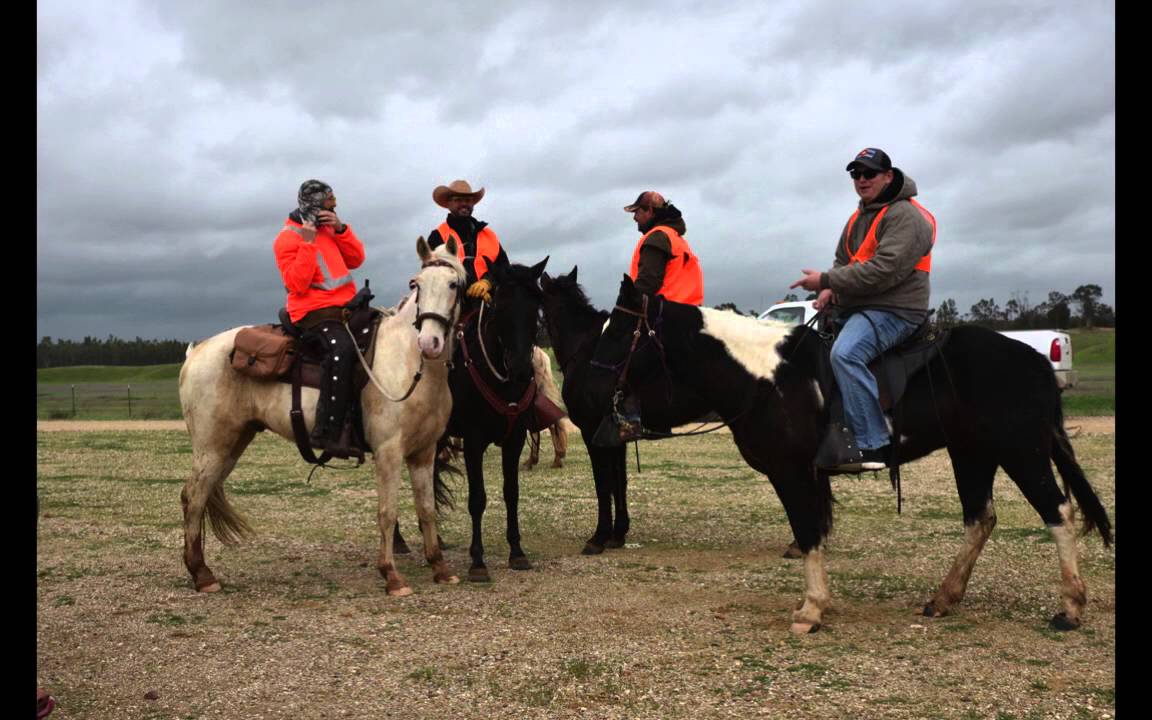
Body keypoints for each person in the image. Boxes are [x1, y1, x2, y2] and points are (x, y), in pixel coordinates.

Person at [790, 148, 936, 473]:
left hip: (896, 310)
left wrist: (826, 280)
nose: (861, 180)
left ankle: (873, 443)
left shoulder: (906, 217)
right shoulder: (859, 216)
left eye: (869, 173)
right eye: (856, 174)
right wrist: (830, 288)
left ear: (888, 175)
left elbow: (883, 271)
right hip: (861, 307)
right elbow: (843, 261)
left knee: (845, 354)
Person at [273, 179, 366, 453]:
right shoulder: (287, 238)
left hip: (345, 308)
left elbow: (357, 259)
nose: (332, 208)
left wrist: (341, 229)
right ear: (314, 206)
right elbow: (297, 283)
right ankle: (328, 432)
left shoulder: (330, 230)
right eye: (328, 205)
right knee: (342, 350)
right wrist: (308, 242)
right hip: (313, 312)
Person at [427, 179, 508, 303]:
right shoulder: (437, 236)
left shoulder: (489, 235)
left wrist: (487, 282)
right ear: (448, 204)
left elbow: (504, 267)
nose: (464, 204)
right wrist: (469, 290)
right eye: (458, 200)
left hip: (490, 302)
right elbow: (434, 275)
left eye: (468, 200)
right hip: (452, 305)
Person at [623, 191, 703, 305]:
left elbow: (647, 284)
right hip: (689, 314)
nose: (634, 218)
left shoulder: (657, 237)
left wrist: (627, 305)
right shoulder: (676, 238)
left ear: (650, 211)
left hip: (664, 316)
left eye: (637, 211)